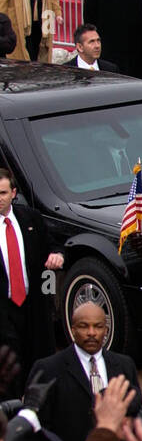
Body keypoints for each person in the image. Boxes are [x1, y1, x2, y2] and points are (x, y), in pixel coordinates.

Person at [26, 302, 141, 441]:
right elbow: (37, 424)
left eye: (98, 327)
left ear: (106, 330)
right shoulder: (48, 368)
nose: (91, 333)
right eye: (84, 326)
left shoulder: (124, 365)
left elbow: (136, 412)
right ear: (73, 329)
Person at [0, 168, 62, 398]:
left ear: (14, 193)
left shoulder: (30, 218)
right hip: (4, 310)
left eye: (3, 192)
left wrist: (58, 256)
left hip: (32, 305)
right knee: (9, 369)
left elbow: (53, 245)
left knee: (38, 364)